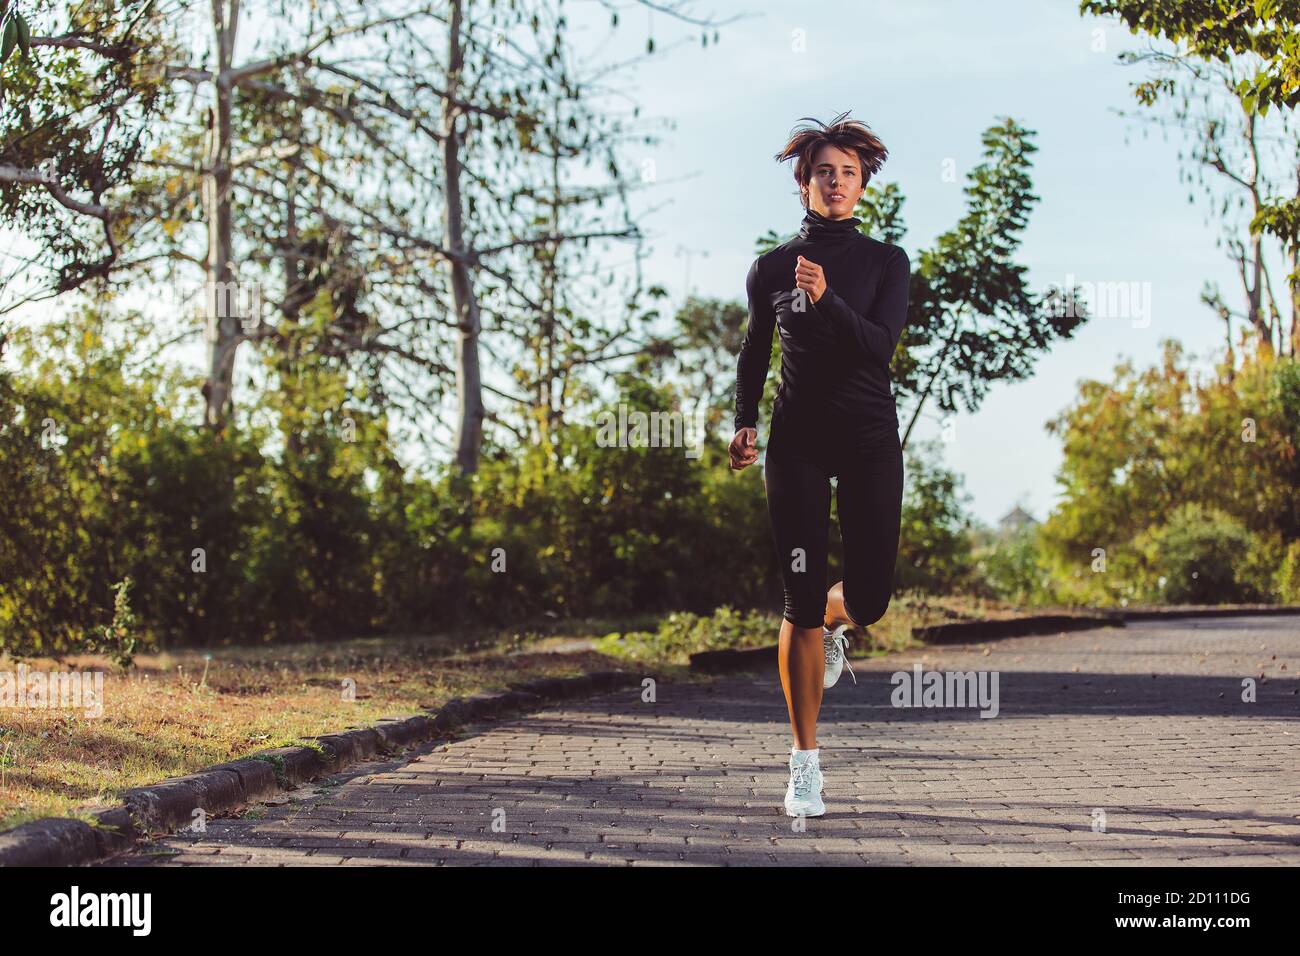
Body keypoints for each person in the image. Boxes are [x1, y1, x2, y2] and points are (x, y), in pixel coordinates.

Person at [729, 111, 911, 818]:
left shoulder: (885, 263)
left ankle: (843, 618)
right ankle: (806, 763)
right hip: (797, 440)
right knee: (797, 601)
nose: (836, 184)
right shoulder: (771, 267)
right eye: (824, 173)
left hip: (868, 437)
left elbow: (879, 347)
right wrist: (744, 423)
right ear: (802, 183)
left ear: (862, 186)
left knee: (869, 598)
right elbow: (754, 350)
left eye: (849, 174)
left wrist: (826, 299)